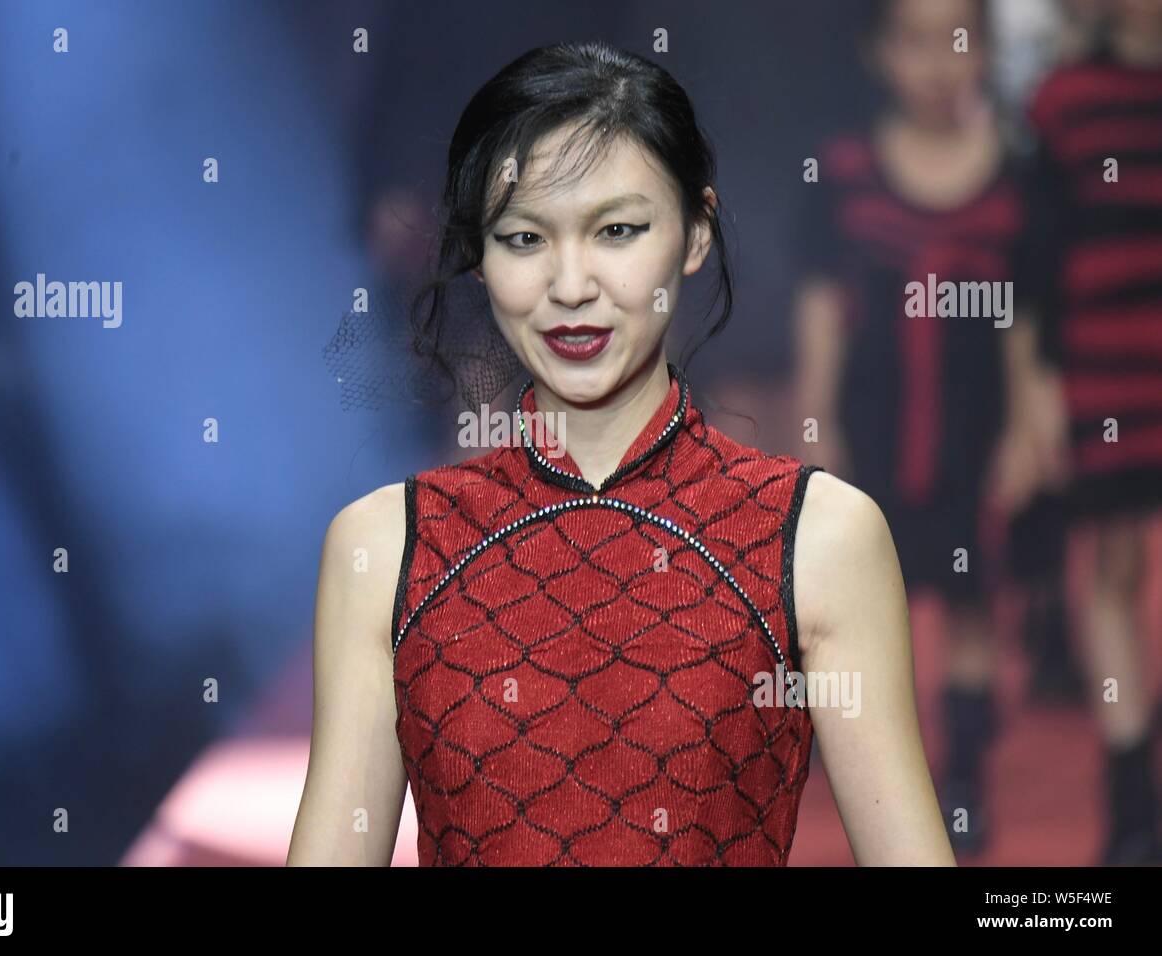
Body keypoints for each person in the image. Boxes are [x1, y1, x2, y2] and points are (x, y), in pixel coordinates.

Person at [288, 39, 955, 866]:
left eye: (617, 230)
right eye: (524, 238)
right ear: (481, 257)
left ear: (695, 234)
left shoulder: (818, 536)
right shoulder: (385, 547)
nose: (570, 284)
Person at [792, 0, 1039, 857]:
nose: (939, 64)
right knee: (861, 596)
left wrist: (1030, 427)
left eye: (959, 42)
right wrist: (815, 414)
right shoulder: (845, 168)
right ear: (879, 53)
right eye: (917, 43)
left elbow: (1025, 318)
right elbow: (822, 302)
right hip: (874, 421)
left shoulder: (1013, 172)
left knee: (970, 598)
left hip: (976, 425)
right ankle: (863, 764)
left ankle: (963, 781)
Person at [1017, 0, 1162, 865]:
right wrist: (1035, 391)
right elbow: (1033, 259)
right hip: (1103, 373)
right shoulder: (1064, 100)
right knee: (1111, 568)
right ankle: (1133, 803)